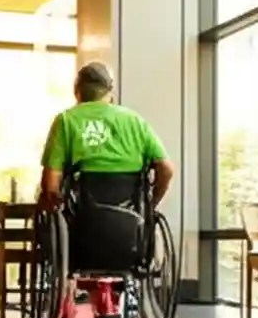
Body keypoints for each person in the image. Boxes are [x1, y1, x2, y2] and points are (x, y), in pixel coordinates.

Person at [38, 62, 174, 210]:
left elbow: (51, 183)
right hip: (130, 217)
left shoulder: (66, 120)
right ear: (109, 92)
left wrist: (52, 204)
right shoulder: (135, 120)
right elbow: (166, 169)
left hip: (84, 218)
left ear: (77, 92)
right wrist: (152, 202)